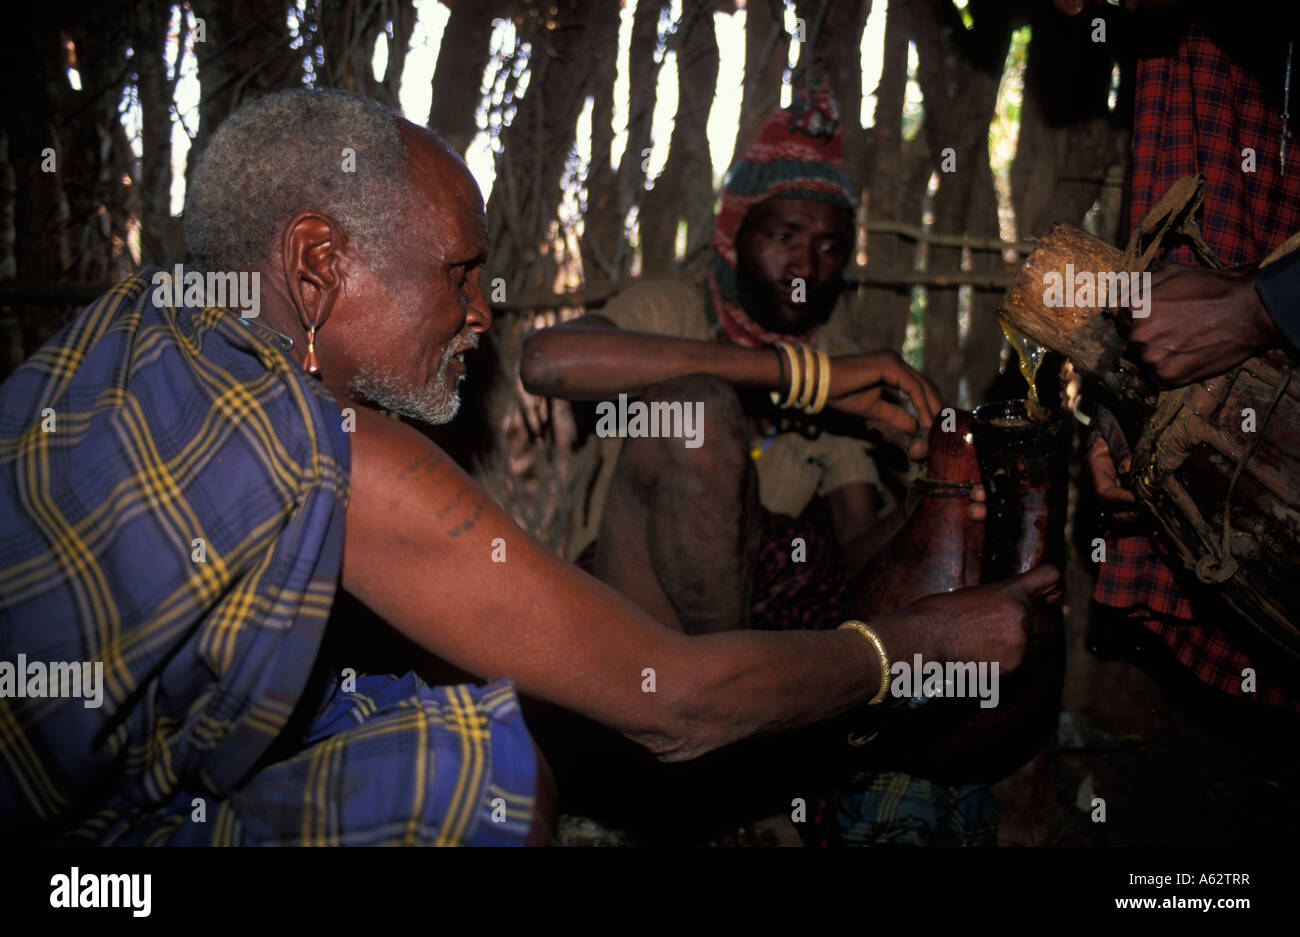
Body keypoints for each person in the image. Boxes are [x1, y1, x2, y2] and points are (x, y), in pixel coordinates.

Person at [0, 88, 1060, 846]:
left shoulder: (134, 324)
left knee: (454, 730)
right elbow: (676, 702)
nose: (481, 313)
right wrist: (912, 647)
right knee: (487, 779)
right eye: (458, 273)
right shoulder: (339, 456)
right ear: (319, 261)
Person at [522, 90, 1009, 845]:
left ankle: (743, 743)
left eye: (830, 247)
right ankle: (731, 750)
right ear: (730, 233)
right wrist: (794, 376)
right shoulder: (670, 310)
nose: (807, 264)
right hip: (628, 622)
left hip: (758, 616)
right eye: (785, 234)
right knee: (699, 415)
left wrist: (943, 501)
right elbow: (550, 360)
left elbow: (852, 541)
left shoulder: (836, 356)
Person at [1054, 0, 1300, 709]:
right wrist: (1132, 403)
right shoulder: (1190, 61)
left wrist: (1262, 305)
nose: (1074, 7)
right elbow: (1182, 272)